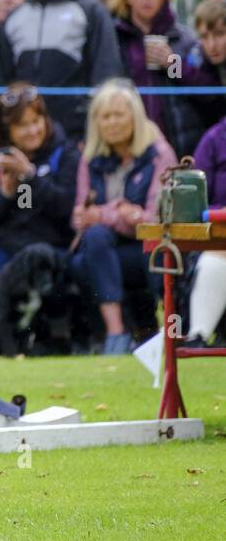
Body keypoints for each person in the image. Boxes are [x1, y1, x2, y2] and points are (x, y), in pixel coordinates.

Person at [71, 79, 176, 354]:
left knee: (150, 250)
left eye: (119, 115)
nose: (113, 123)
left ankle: (166, 332)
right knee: (92, 241)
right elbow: (80, 218)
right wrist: (122, 213)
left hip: (148, 247)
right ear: (96, 122)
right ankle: (115, 333)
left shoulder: (159, 154)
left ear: (135, 117)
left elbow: (155, 220)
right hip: (106, 251)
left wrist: (107, 213)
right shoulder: (89, 159)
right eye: (105, 117)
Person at [0, 0, 123, 140]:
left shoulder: (89, 10)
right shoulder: (14, 18)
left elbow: (107, 74)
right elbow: (5, 81)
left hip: (77, 136)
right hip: (26, 137)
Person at [0, 82, 80, 296]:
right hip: (6, 249)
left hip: (51, 248)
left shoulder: (65, 152)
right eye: (23, 125)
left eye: (37, 120)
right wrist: (5, 194)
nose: (33, 130)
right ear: (8, 129)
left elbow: (67, 208)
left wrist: (31, 177)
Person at [106, 0, 207, 159]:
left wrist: (172, 63)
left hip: (179, 146)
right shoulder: (114, 38)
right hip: (129, 148)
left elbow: (205, 89)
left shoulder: (182, 38)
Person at [187, 113, 226, 345]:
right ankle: (198, 336)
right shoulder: (214, 138)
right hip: (220, 237)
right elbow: (195, 201)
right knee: (216, 256)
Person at [189, 0, 226, 130]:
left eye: (220, 34)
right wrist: (171, 63)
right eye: (204, 36)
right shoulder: (198, 57)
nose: (211, 45)